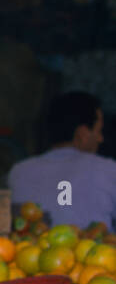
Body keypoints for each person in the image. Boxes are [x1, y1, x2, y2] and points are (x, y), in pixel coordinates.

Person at [8, 91, 116, 229]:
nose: (101, 139)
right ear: (82, 134)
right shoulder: (108, 169)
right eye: (98, 131)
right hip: (92, 249)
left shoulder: (19, 171)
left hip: (30, 248)